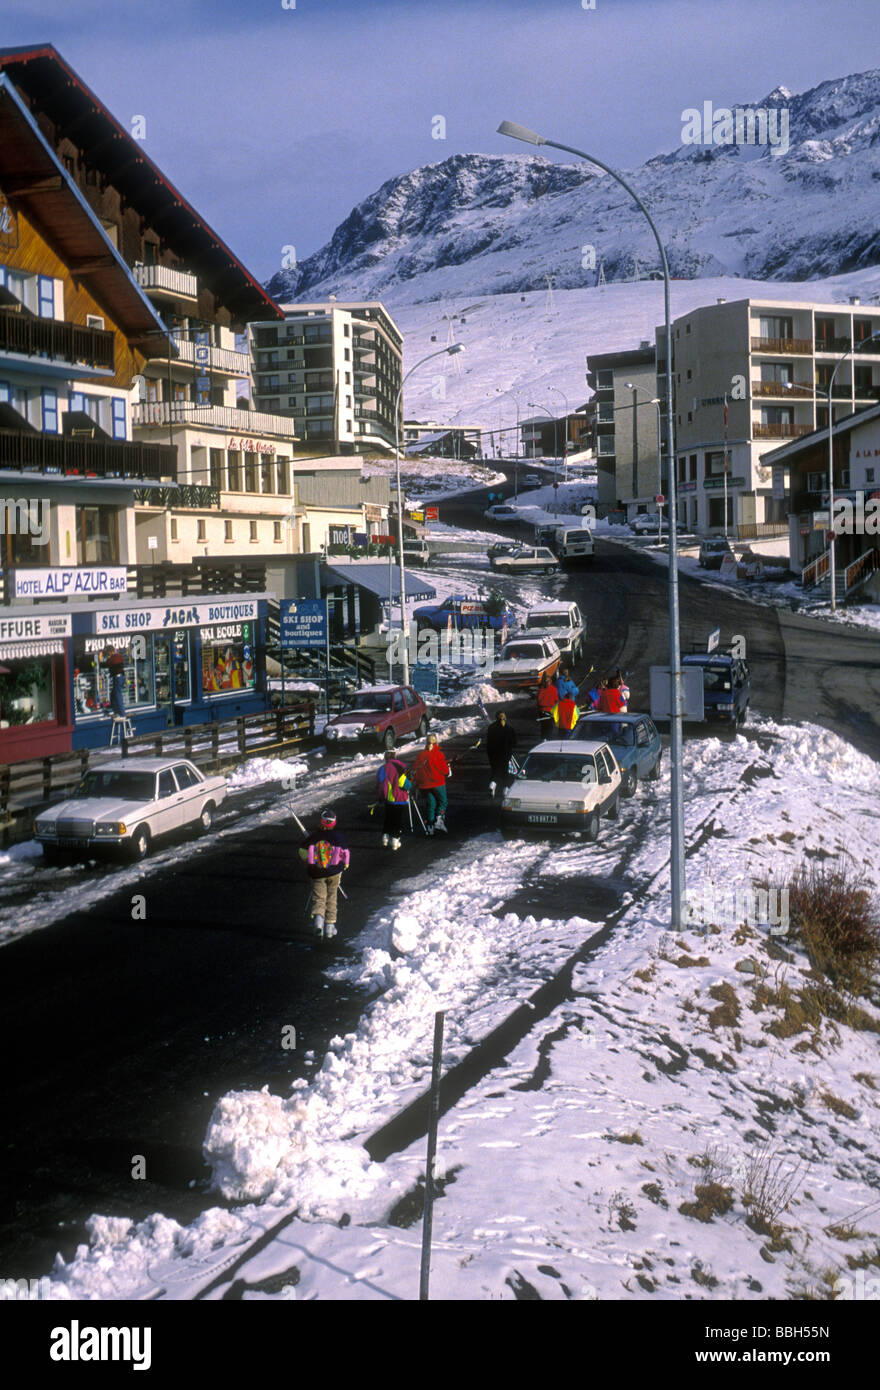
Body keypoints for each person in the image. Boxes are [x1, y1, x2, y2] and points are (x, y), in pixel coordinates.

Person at [298, 809, 350, 941]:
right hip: (334, 872)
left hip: (316, 873)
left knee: (319, 897)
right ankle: (329, 927)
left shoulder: (314, 837)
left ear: (321, 821)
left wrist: (309, 860)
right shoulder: (338, 837)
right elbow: (345, 853)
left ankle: (318, 922)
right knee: (332, 897)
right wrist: (344, 865)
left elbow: (302, 851)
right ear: (334, 823)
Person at [412, 732, 451, 835]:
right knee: (443, 802)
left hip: (424, 785)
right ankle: (439, 820)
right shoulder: (438, 754)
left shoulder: (420, 755)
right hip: (437, 783)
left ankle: (430, 826)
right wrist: (448, 769)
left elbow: (415, 769)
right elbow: (444, 770)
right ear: (436, 742)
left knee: (431, 804)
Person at [377, 748, 412, 850]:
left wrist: (380, 797)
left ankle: (385, 836)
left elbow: (380, 784)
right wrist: (410, 785)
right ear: (395, 755)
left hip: (388, 798)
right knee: (397, 819)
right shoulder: (401, 766)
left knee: (389, 817)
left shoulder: (382, 768)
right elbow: (404, 783)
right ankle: (395, 841)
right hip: (399, 798)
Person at [487, 709, 517, 800]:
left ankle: (492, 785)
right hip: (506, 755)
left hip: (493, 755)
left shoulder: (491, 727)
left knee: (495, 772)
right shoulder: (509, 728)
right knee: (506, 774)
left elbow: (489, 742)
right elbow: (514, 742)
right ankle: (505, 792)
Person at [103, 644, 126, 717]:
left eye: (107, 654)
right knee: (113, 694)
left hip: (118, 678)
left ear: (110, 652)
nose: (107, 655)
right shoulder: (119, 656)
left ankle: (122, 714)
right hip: (121, 677)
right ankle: (114, 709)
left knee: (118, 695)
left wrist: (102, 659)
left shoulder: (113, 658)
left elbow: (106, 663)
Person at [536, 672, 557, 739]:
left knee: (543, 726)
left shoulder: (541, 690)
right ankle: (548, 739)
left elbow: (538, 701)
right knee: (550, 727)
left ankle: (543, 739)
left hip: (542, 711)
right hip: (550, 711)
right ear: (550, 682)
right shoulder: (554, 689)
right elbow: (556, 700)